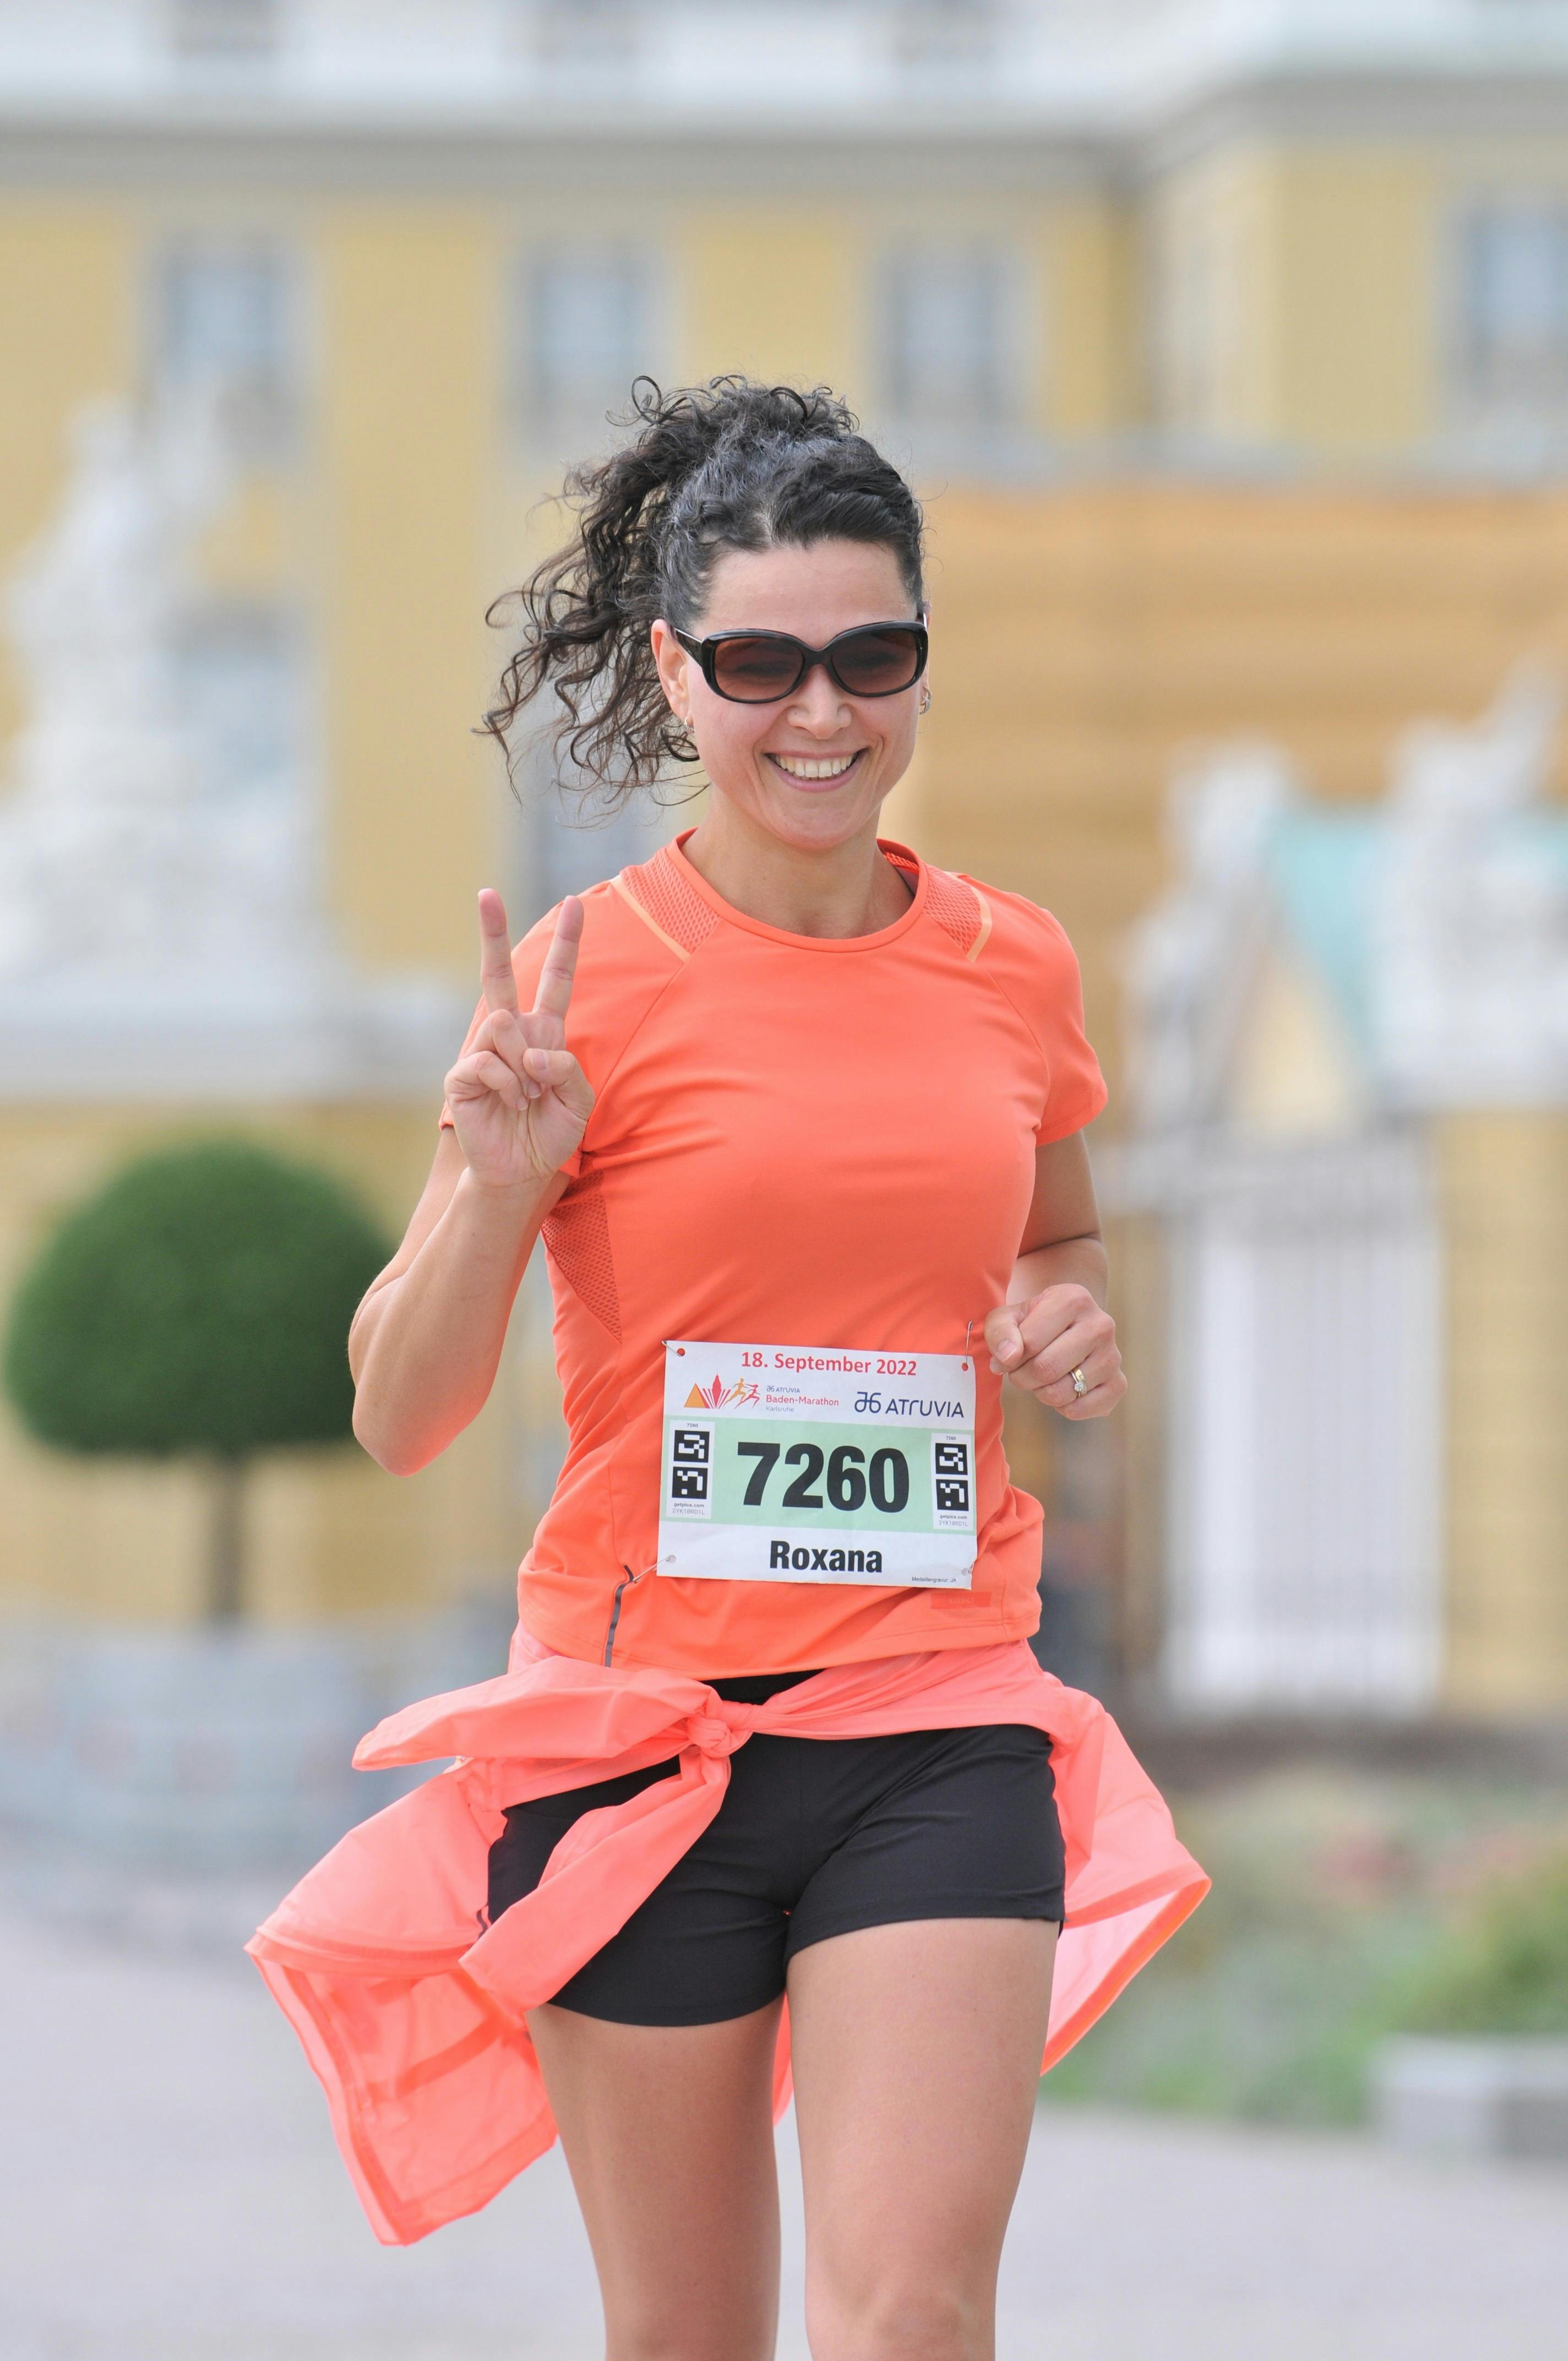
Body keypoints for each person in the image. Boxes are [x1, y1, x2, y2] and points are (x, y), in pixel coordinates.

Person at [320, 378, 1190, 2361]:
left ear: (918, 660)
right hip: (640, 1748)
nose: (822, 713)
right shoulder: (576, 983)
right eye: (763, 662)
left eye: (871, 655)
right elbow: (401, 1412)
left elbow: (1052, 1230)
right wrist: (493, 1184)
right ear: (673, 670)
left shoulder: (1014, 965)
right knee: (689, 2340)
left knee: (907, 2312)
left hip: (938, 1711)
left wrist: (1067, 1309)